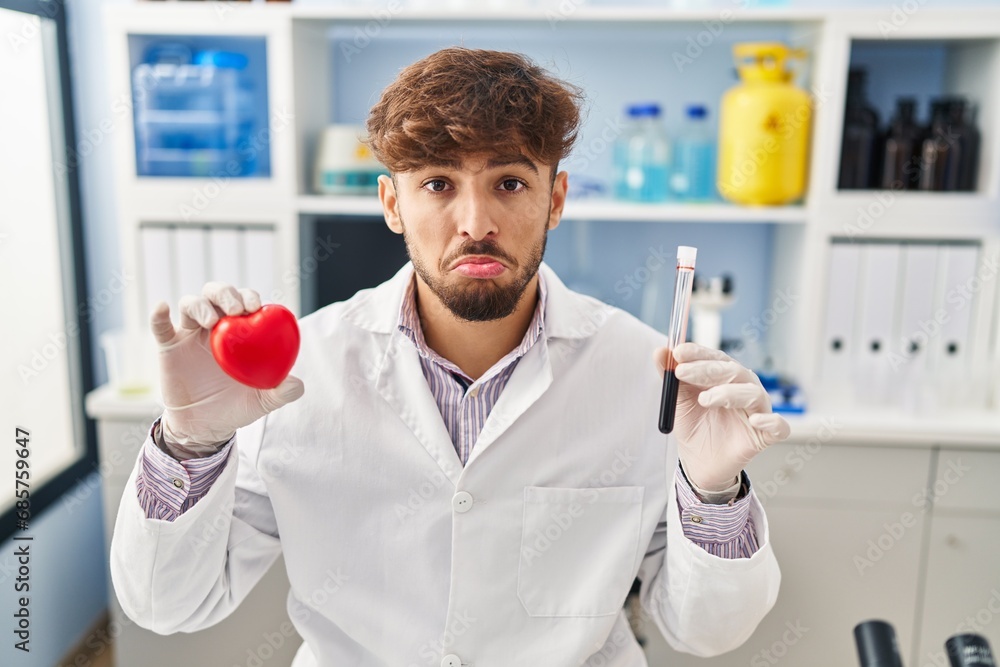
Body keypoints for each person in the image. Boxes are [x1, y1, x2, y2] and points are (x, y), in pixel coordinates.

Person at [111, 46, 789, 666]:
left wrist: (713, 493)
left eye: (510, 184)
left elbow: (707, 631)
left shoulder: (648, 376)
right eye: (437, 183)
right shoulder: (298, 374)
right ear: (392, 203)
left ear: (556, 199)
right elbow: (168, 603)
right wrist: (190, 446)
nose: (475, 222)